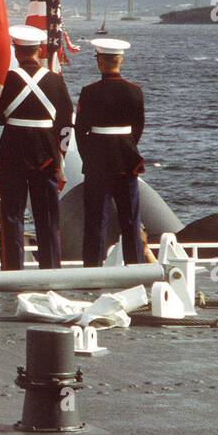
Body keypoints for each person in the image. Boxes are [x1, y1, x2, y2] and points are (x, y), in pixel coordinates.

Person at [0, 25, 73, 269]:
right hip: (46, 153)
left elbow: (0, 117)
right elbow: (65, 119)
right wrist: (60, 155)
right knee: (47, 216)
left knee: (11, 216)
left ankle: (13, 270)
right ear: (39, 50)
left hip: (13, 152)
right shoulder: (55, 80)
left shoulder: (10, 79)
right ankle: (51, 268)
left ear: (17, 52)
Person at [75, 38, 146, 266]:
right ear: (120, 61)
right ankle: (135, 268)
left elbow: (80, 130)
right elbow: (138, 128)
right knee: (131, 220)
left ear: (100, 62)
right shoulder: (135, 91)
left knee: (96, 220)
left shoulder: (89, 92)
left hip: (97, 161)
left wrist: (89, 156)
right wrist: (126, 146)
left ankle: (92, 271)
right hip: (127, 160)